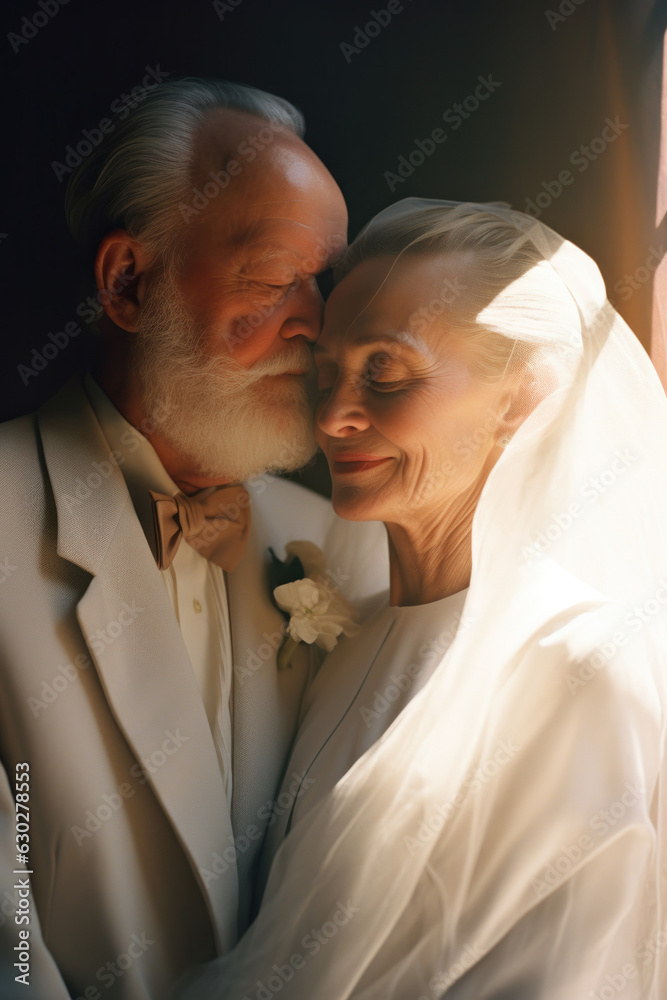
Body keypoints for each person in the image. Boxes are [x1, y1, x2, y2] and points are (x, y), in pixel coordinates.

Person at [176, 199, 667, 999]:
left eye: (385, 371)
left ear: (518, 401)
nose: (333, 415)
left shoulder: (578, 663)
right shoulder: (352, 638)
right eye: (327, 371)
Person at [0, 79, 388, 999]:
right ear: (127, 283)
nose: (316, 324)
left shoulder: (343, 543)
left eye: (323, 282)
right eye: (272, 280)